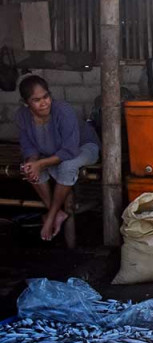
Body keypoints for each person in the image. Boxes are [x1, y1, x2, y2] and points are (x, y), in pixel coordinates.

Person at [15, 75, 101, 241]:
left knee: (67, 166)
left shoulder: (63, 110)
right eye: (36, 100)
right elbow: (29, 147)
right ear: (26, 103)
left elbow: (70, 150)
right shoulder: (22, 116)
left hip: (84, 148)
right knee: (29, 168)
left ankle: (51, 216)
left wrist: (41, 163)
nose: (44, 103)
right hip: (53, 153)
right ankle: (57, 214)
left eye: (46, 96)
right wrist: (32, 162)